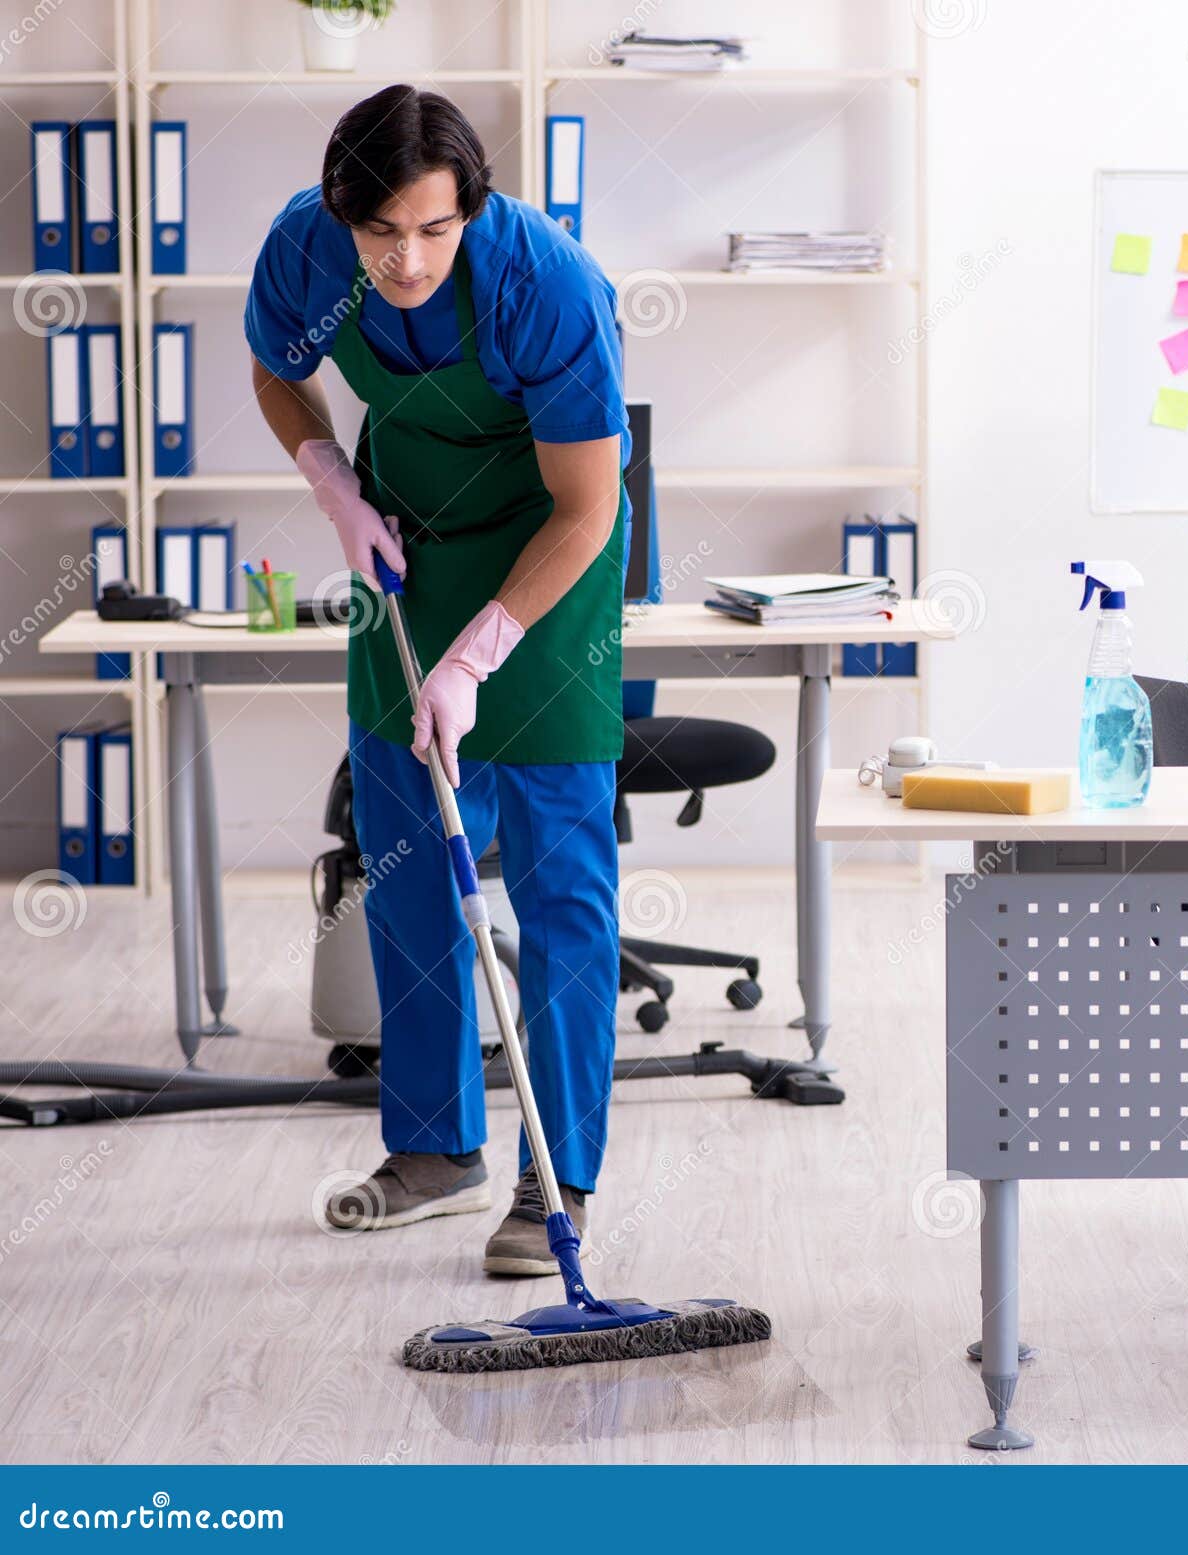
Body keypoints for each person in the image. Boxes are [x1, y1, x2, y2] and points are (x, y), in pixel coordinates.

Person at [244, 84, 627, 1277]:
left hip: (544, 556)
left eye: (434, 230)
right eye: (379, 234)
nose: (405, 261)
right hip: (402, 530)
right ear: (336, 209)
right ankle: (431, 1151)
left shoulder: (544, 283)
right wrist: (330, 483)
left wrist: (478, 656)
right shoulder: (306, 243)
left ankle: (554, 1175)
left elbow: (587, 504)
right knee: (404, 857)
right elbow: (276, 366)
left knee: (560, 887)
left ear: (474, 208)